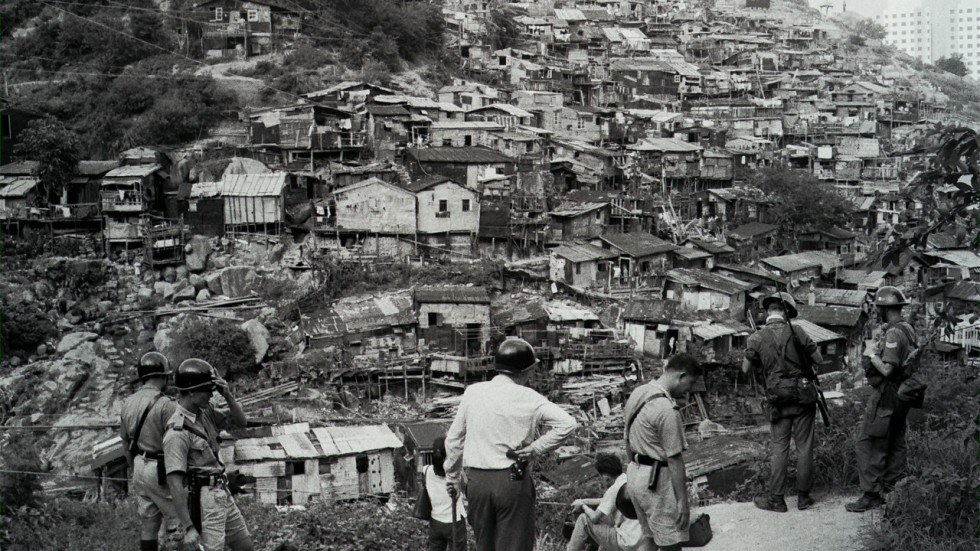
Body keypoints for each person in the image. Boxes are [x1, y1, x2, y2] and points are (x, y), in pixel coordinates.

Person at [444, 337, 578, 551]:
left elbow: (454, 439)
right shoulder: (530, 398)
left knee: (484, 544)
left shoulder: (473, 392)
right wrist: (535, 449)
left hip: (476, 482)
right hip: (512, 479)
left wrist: (452, 476)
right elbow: (568, 424)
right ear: (525, 370)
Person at [743, 292, 823, 513]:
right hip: (803, 396)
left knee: (780, 448)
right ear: (787, 311)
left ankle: (777, 500)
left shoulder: (757, 338)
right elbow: (819, 360)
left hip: (777, 399)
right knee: (804, 447)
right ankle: (804, 498)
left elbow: (745, 369)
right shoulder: (797, 331)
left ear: (768, 311)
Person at [163, 359, 252, 551]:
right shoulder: (176, 434)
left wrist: (228, 395)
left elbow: (241, 422)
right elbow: (175, 483)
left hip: (222, 491)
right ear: (191, 392)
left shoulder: (206, 412)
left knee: (244, 546)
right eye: (207, 390)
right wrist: (189, 528)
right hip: (204, 498)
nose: (211, 395)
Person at [624, 353, 702, 551]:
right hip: (656, 481)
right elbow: (675, 460)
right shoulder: (667, 409)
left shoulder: (638, 392)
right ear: (681, 376)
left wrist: (636, 469)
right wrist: (683, 502)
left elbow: (626, 439)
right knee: (671, 542)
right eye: (690, 383)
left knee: (649, 538)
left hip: (634, 474)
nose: (688, 391)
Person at [846, 287, 915, 512]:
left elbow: (886, 369)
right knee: (895, 443)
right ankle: (894, 491)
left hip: (887, 395)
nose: (876, 312)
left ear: (886, 309)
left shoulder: (894, 333)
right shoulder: (908, 329)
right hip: (903, 395)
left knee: (868, 443)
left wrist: (871, 354)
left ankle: (871, 494)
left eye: (879, 308)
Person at [119, 352, 178, 551]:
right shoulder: (166, 404)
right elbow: (177, 444)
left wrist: (133, 469)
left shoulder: (128, 402)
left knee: (149, 524)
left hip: (139, 465)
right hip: (160, 469)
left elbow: (124, 441)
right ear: (163, 376)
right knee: (183, 521)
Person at [567, 453, 643, 551]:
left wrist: (583, 506)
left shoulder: (614, 489)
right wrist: (583, 501)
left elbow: (594, 518)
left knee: (584, 520)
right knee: (607, 520)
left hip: (625, 541)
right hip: (640, 538)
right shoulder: (626, 480)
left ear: (606, 477)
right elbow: (606, 501)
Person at [425, 436, 468, 551]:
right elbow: (466, 487)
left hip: (436, 521)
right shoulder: (457, 476)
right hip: (455, 522)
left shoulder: (426, 471)